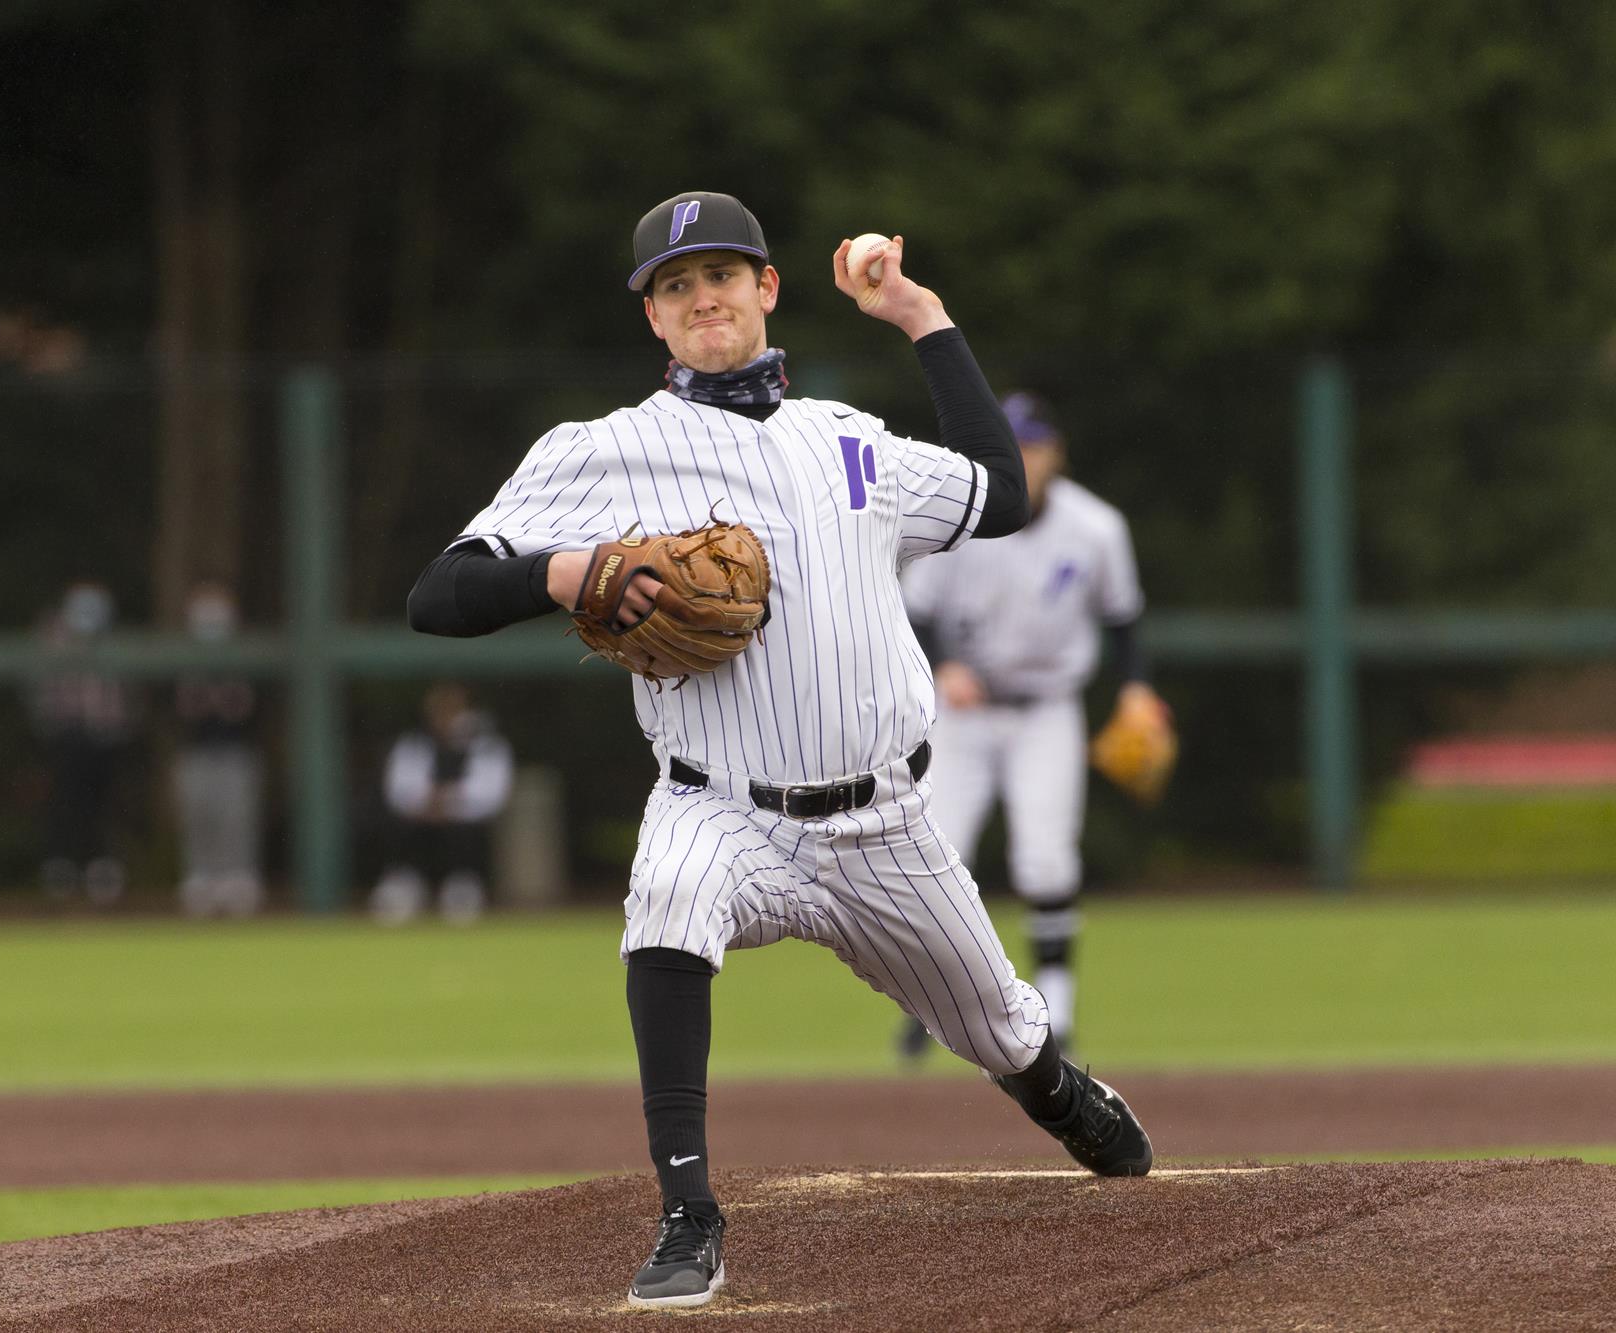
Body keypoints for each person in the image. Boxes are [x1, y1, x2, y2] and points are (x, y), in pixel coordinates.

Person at [406, 191, 1153, 1311]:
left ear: (765, 290)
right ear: (652, 321)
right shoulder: (605, 451)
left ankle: (1056, 1090)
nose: (700, 296)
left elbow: (998, 495)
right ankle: (687, 1211)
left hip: (884, 824)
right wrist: (557, 573)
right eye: (673, 285)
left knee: (1000, 1026)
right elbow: (438, 595)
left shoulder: (847, 437)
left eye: (720, 274)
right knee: (664, 900)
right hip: (722, 805)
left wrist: (920, 315)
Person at [895, 393, 1169, 1064]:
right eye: (1014, 444)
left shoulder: (1095, 527)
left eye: (1037, 445)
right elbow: (912, 612)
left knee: (1045, 858)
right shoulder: (958, 520)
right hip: (962, 715)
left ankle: (1058, 1006)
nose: (1026, 457)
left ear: (1057, 453)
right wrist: (944, 665)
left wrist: (1136, 691)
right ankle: (931, 1010)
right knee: (942, 857)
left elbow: (1124, 619)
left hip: (1048, 709)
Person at [366, 682, 514, 925]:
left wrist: (449, 801)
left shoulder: (487, 745)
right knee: (394, 825)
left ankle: (463, 890)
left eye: (453, 709)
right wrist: (427, 804)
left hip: (465, 829)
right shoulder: (412, 743)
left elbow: (491, 795)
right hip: (418, 826)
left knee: (467, 833)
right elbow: (398, 791)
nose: (446, 717)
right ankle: (404, 885)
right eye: (440, 710)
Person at [28, 581, 133, 906]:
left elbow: (127, 699)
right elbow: (40, 692)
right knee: (65, 804)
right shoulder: (53, 640)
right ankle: (60, 870)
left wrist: (118, 727)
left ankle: (103, 871)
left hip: (105, 739)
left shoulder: (115, 644)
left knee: (102, 806)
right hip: (67, 737)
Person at [170, 582, 266, 918]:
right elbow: (180, 709)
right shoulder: (182, 658)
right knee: (198, 815)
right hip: (195, 751)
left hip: (236, 751)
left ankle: (237, 882)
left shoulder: (244, 656)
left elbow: (247, 708)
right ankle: (200, 881)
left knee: (236, 816)